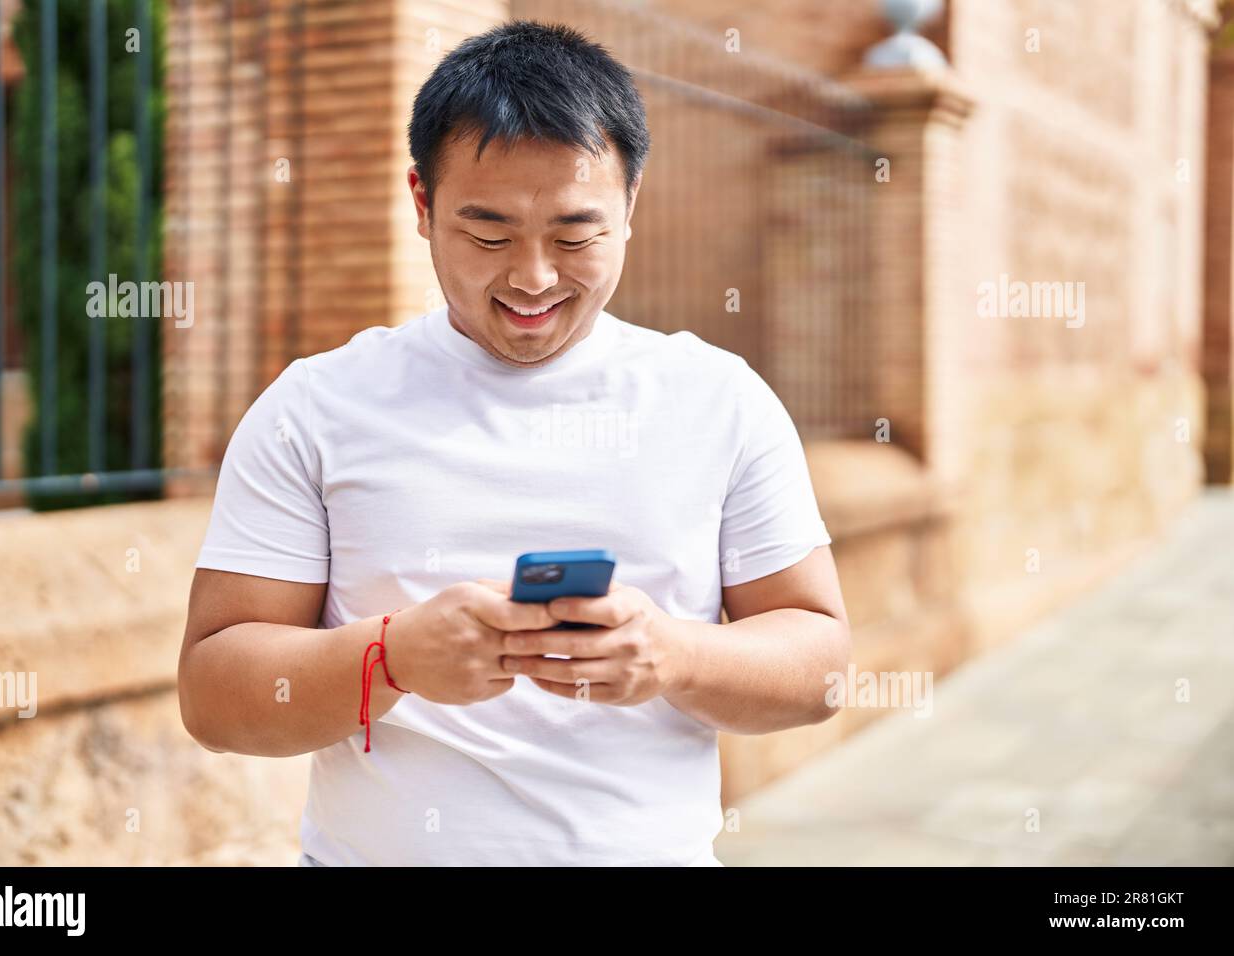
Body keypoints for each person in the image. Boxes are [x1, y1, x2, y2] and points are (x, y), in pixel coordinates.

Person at [177, 18, 850, 867]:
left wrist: (674, 654)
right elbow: (214, 695)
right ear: (421, 204)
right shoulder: (315, 406)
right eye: (488, 234)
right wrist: (390, 659)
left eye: (575, 235)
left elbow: (822, 667)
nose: (533, 279)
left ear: (632, 205)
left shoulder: (718, 400)